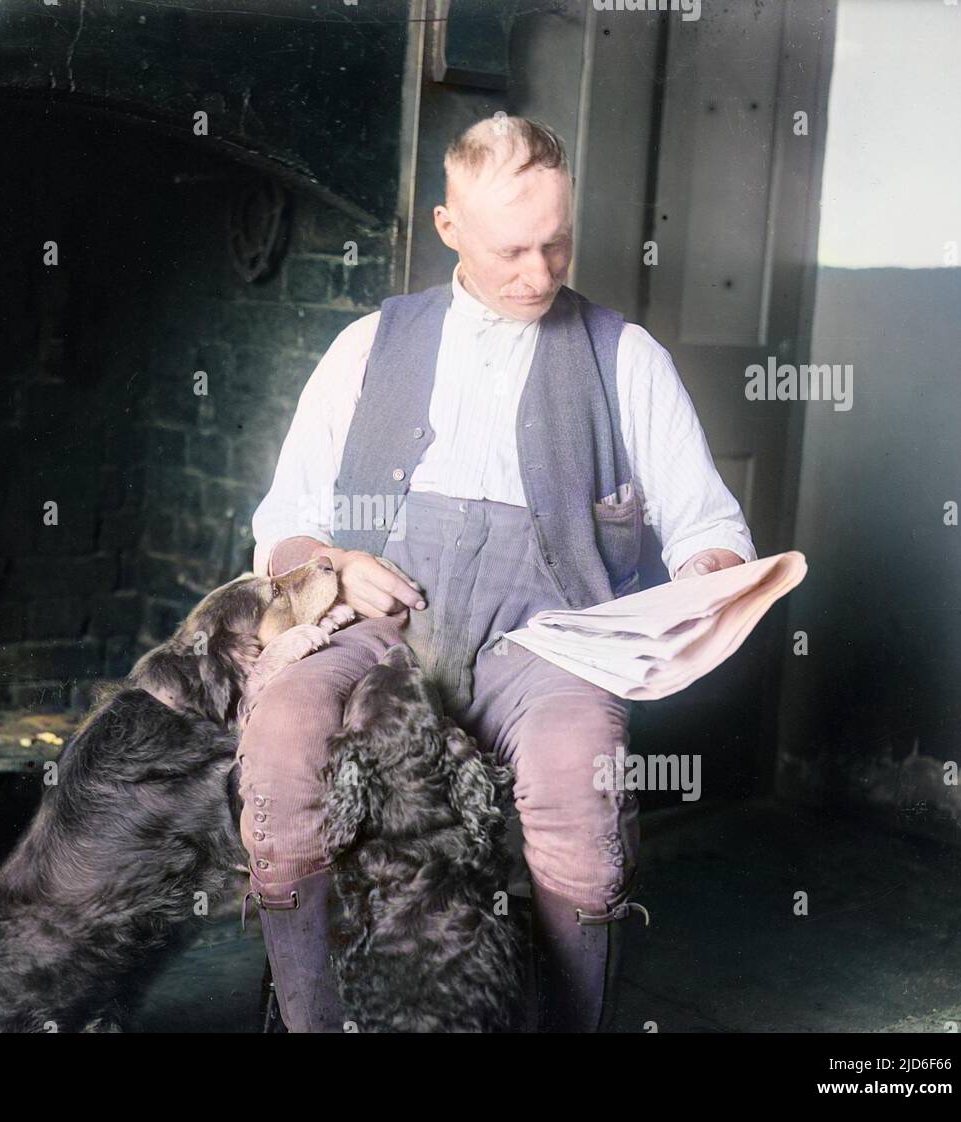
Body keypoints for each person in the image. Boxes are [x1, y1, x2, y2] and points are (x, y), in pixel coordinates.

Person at [241, 116, 755, 1032]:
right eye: (512, 249)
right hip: (380, 628)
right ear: (449, 230)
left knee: (584, 791)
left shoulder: (624, 358)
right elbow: (284, 520)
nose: (540, 273)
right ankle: (310, 1020)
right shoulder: (369, 346)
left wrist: (707, 574)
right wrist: (332, 563)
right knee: (281, 741)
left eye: (557, 242)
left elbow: (708, 522)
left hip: (545, 645)